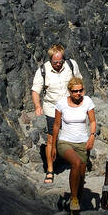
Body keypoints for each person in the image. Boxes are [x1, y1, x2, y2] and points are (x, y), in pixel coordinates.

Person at [31, 44, 81, 185]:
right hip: (52, 108)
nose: (58, 64)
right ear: (50, 59)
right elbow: (35, 90)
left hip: (70, 106)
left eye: (60, 61)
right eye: (55, 62)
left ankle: (74, 164)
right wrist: (37, 106)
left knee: (74, 135)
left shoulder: (71, 65)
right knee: (52, 139)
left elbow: (79, 82)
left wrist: (81, 100)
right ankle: (50, 170)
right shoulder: (43, 70)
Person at [49, 76, 96, 215]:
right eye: (75, 91)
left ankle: (76, 208)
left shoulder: (87, 101)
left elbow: (93, 121)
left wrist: (92, 136)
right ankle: (73, 199)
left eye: (80, 90)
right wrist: (53, 146)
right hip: (65, 141)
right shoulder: (62, 103)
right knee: (76, 163)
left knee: (81, 176)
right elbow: (56, 125)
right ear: (69, 91)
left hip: (82, 142)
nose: (78, 93)